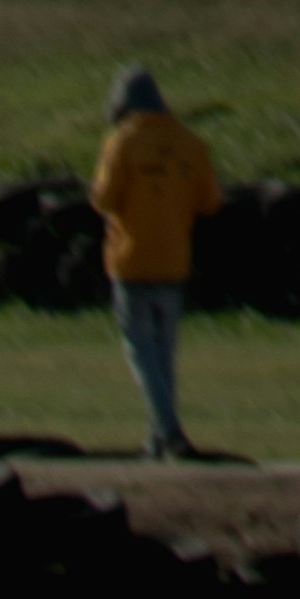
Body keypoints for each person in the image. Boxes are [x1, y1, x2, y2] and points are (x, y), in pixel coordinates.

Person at [88, 62, 219, 467]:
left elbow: (103, 199)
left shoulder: (121, 142)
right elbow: (209, 202)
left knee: (141, 351)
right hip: (173, 261)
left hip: (130, 262)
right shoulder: (190, 144)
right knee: (164, 353)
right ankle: (158, 437)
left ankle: (170, 431)